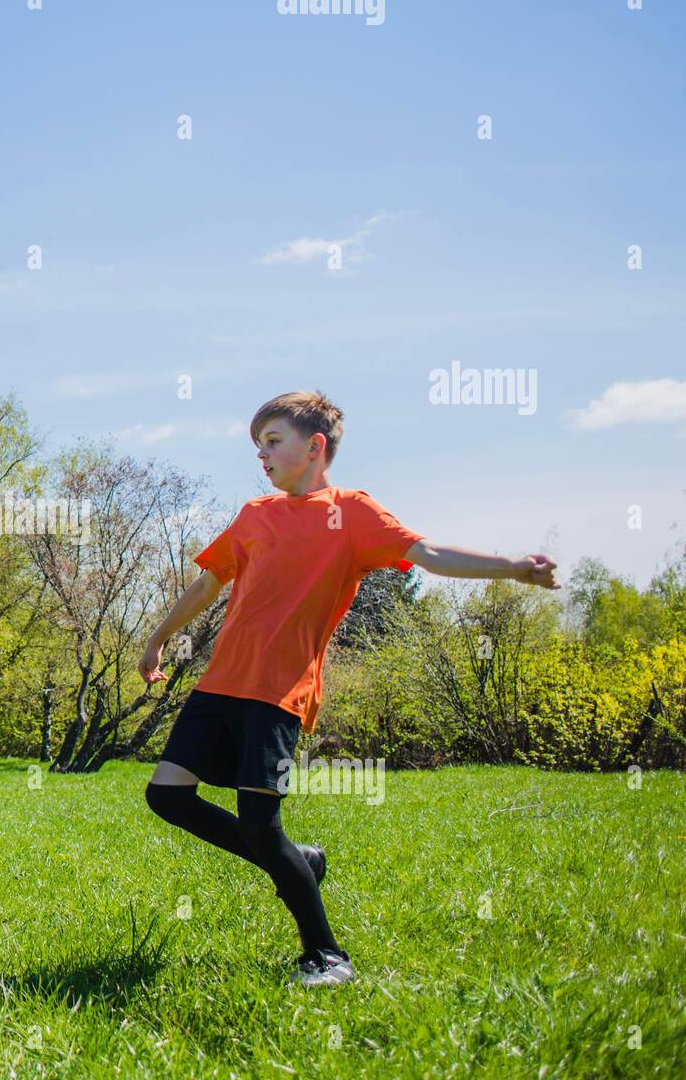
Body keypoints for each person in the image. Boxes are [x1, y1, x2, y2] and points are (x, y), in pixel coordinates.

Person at [139, 390, 559, 987]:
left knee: (260, 824)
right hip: (220, 685)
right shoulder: (254, 515)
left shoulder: (352, 512)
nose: (261, 455)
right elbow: (207, 585)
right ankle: (300, 863)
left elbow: (431, 553)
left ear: (314, 447)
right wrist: (157, 638)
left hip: (278, 693)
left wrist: (513, 567)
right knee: (167, 796)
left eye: (272, 441)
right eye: (257, 445)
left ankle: (326, 954)